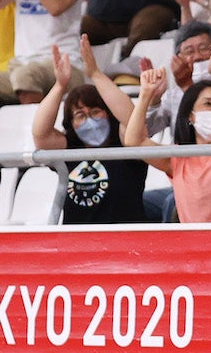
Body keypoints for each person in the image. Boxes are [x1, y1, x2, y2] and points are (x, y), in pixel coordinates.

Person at [33, 39, 149, 224]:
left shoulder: (125, 142)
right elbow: (41, 134)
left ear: (107, 113)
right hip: (78, 242)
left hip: (126, 239)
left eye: (95, 112)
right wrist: (59, 86)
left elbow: (130, 115)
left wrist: (95, 73)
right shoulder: (70, 149)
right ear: (71, 123)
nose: (90, 120)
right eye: (80, 115)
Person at [129, 75, 211, 223]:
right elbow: (134, 141)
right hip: (194, 243)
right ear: (191, 116)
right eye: (208, 104)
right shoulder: (178, 157)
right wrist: (146, 93)